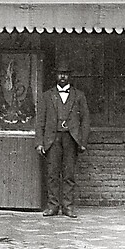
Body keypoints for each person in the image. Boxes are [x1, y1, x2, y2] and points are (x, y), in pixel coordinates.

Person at [36, 61, 89, 218]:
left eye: (65, 74)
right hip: (52, 140)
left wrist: (83, 141)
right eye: (60, 73)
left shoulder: (79, 96)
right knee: (52, 174)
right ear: (56, 75)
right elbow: (40, 122)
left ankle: (68, 207)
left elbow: (85, 120)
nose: (63, 77)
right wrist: (39, 142)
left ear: (70, 76)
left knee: (69, 174)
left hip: (70, 139)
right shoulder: (47, 96)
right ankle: (52, 206)